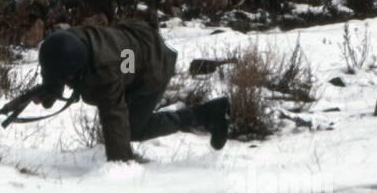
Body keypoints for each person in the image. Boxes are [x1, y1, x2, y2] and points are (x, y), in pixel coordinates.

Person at [34, 20, 230, 163]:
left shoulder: (106, 70)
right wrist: (50, 88)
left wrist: (120, 162)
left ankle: (205, 114)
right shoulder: (68, 42)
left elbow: (114, 115)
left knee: (133, 128)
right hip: (136, 43)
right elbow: (58, 65)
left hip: (152, 65)